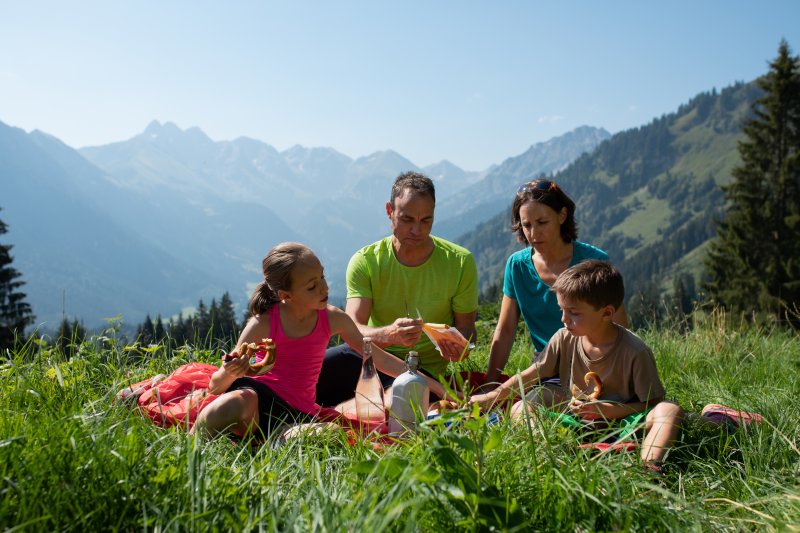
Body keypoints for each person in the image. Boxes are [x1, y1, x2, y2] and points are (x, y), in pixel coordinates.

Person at [193, 242, 449, 439]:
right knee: (238, 401)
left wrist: (438, 388)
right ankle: (195, 441)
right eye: (312, 286)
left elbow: (378, 358)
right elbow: (216, 386)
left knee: (329, 435)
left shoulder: (333, 319)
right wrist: (229, 372)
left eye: (323, 278)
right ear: (286, 295)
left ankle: (268, 442)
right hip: (256, 400)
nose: (324, 289)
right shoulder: (263, 324)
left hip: (296, 414)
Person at [471, 260, 683, 470]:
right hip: (573, 424)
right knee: (522, 406)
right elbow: (533, 374)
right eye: (562, 310)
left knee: (669, 410)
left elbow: (653, 405)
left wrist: (608, 410)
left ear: (607, 313)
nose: (564, 319)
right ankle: (556, 453)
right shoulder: (564, 338)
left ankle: (650, 467)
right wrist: (491, 397)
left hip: (624, 424)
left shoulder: (635, 351)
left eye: (574, 313)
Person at [315, 171, 479, 408]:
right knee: (306, 376)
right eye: (407, 219)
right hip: (368, 357)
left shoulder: (460, 261)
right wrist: (390, 334)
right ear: (389, 212)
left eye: (426, 221)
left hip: (423, 370)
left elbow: (467, 330)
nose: (417, 230)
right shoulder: (366, 261)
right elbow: (351, 330)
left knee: (398, 403)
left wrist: (459, 348)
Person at [483, 179, 628, 398]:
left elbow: (619, 327)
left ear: (562, 216)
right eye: (527, 225)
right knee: (524, 412)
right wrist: (490, 383)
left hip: (596, 366)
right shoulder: (517, 265)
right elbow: (505, 331)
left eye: (542, 222)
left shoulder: (594, 262)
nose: (534, 233)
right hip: (545, 369)